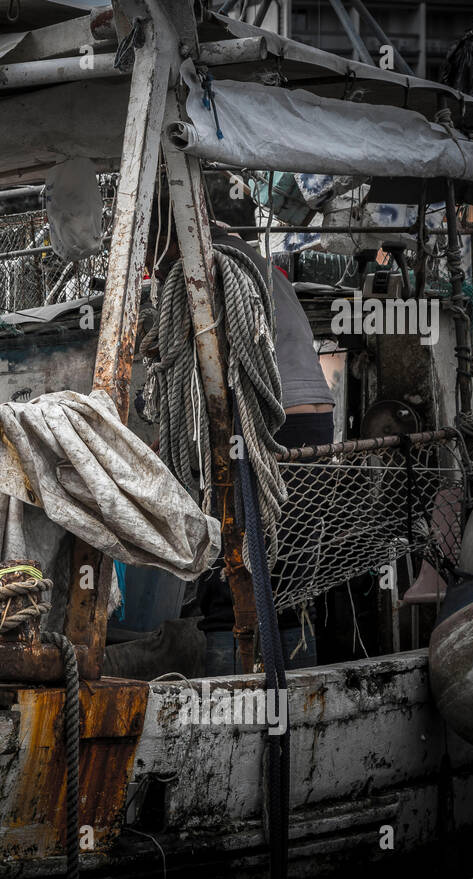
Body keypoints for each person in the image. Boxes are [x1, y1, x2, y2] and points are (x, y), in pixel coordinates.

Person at [149, 211, 334, 674]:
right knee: (289, 566)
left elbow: (217, 361)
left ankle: (236, 686)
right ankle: (294, 679)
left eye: (154, 253)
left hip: (270, 422)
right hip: (311, 419)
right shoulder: (253, 261)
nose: (154, 269)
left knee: (225, 562)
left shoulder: (205, 267)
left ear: (171, 239)